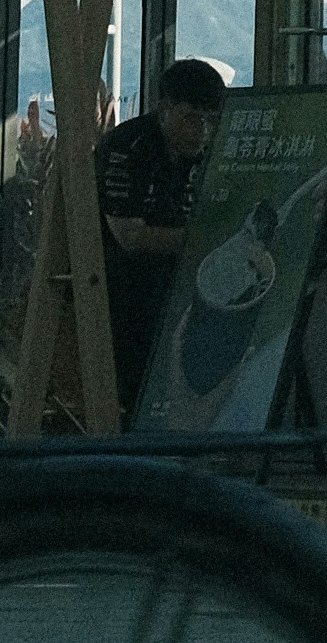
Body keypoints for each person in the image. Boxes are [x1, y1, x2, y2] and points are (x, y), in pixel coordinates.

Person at [91, 58, 227, 401]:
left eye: (210, 120)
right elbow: (130, 237)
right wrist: (210, 242)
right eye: (191, 118)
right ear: (164, 110)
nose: (202, 131)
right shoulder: (128, 147)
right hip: (121, 285)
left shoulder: (207, 151)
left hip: (182, 279)